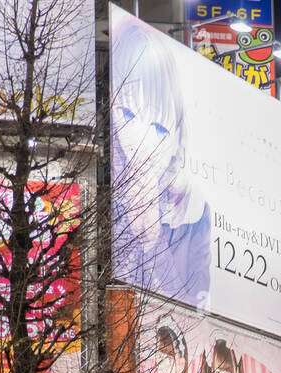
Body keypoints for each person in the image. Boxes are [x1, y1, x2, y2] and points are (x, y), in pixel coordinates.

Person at [109, 12, 212, 308]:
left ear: (177, 136)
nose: (141, 140)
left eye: (159, 129)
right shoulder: (91, 193)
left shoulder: (193, 216)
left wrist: (153, 241)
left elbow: (195, 321)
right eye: (127, 114)